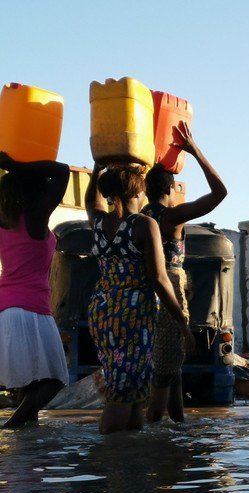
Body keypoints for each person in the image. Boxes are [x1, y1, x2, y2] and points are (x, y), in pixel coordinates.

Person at [85, 162, 194, 434]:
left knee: (129, 386)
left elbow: (90, 201)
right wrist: (182, 323)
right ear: (137, 192)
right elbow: (159, 280)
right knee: (123, 391)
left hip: (102, 313)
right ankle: (108, 452)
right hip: (133, 316)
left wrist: (97, 169)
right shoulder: (145, 224)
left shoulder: (99, 222)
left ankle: (132, 451)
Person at [142, 122, 227, 424]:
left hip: (146, 295)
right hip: (170, 293)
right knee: (165, 374)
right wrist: (195, 151)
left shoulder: (140, 218)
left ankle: (178, 428)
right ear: (170, 190)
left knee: (171, 368)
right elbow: (220, 192)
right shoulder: (171, 216)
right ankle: (150, 439)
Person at [0, 153, 70, 428]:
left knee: (31, 387)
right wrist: (16, 165)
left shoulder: (5, 222)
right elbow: (62, 171)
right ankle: (10, 428)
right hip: (31, 309)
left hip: (7, 309)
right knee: (54, 380)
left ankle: (27, 444)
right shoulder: (35, 218)